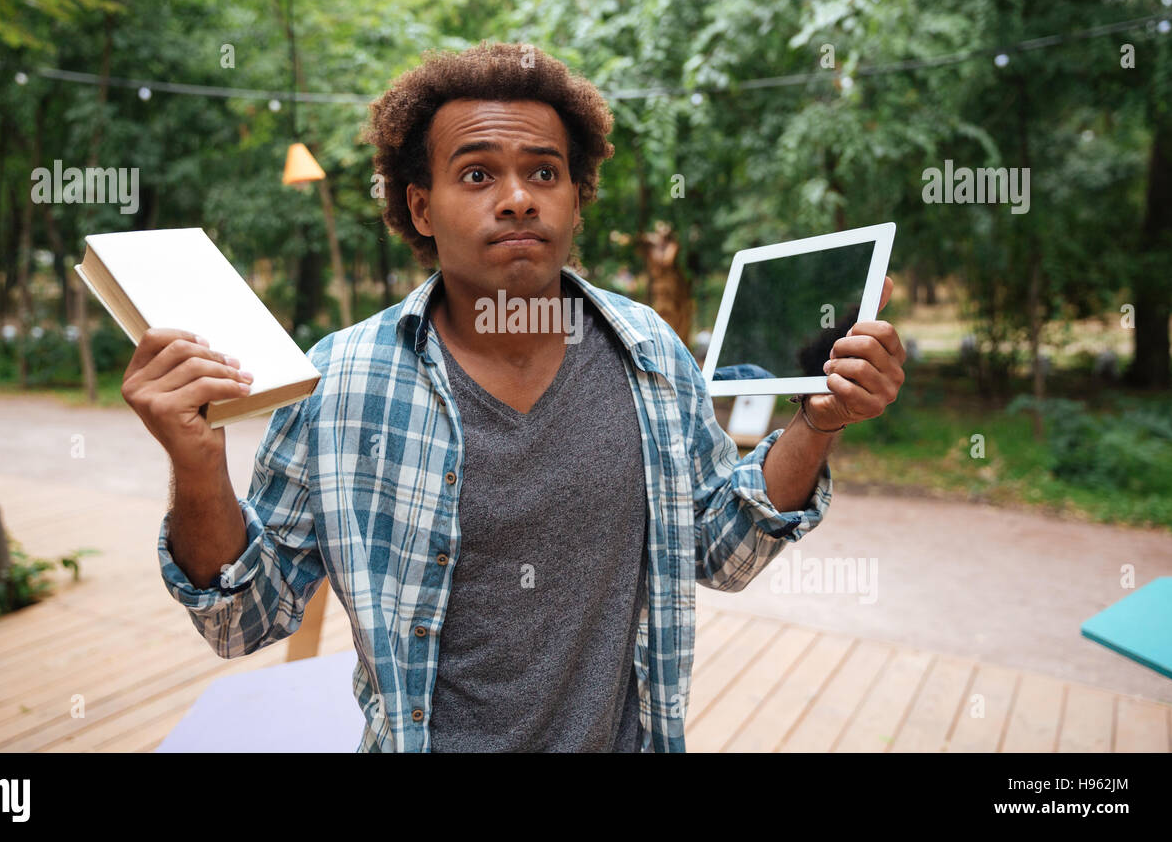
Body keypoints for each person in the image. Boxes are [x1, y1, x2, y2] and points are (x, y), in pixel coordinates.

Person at [121, 42, 907, 752]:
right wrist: (196, 465)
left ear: (575, 196)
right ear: (420, 206)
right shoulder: (342, 383)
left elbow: (718, 547)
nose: (518, 198)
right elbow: (241, 618)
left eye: (543, 172)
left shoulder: (651, 356)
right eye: (476, 173)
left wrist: (819, 422)